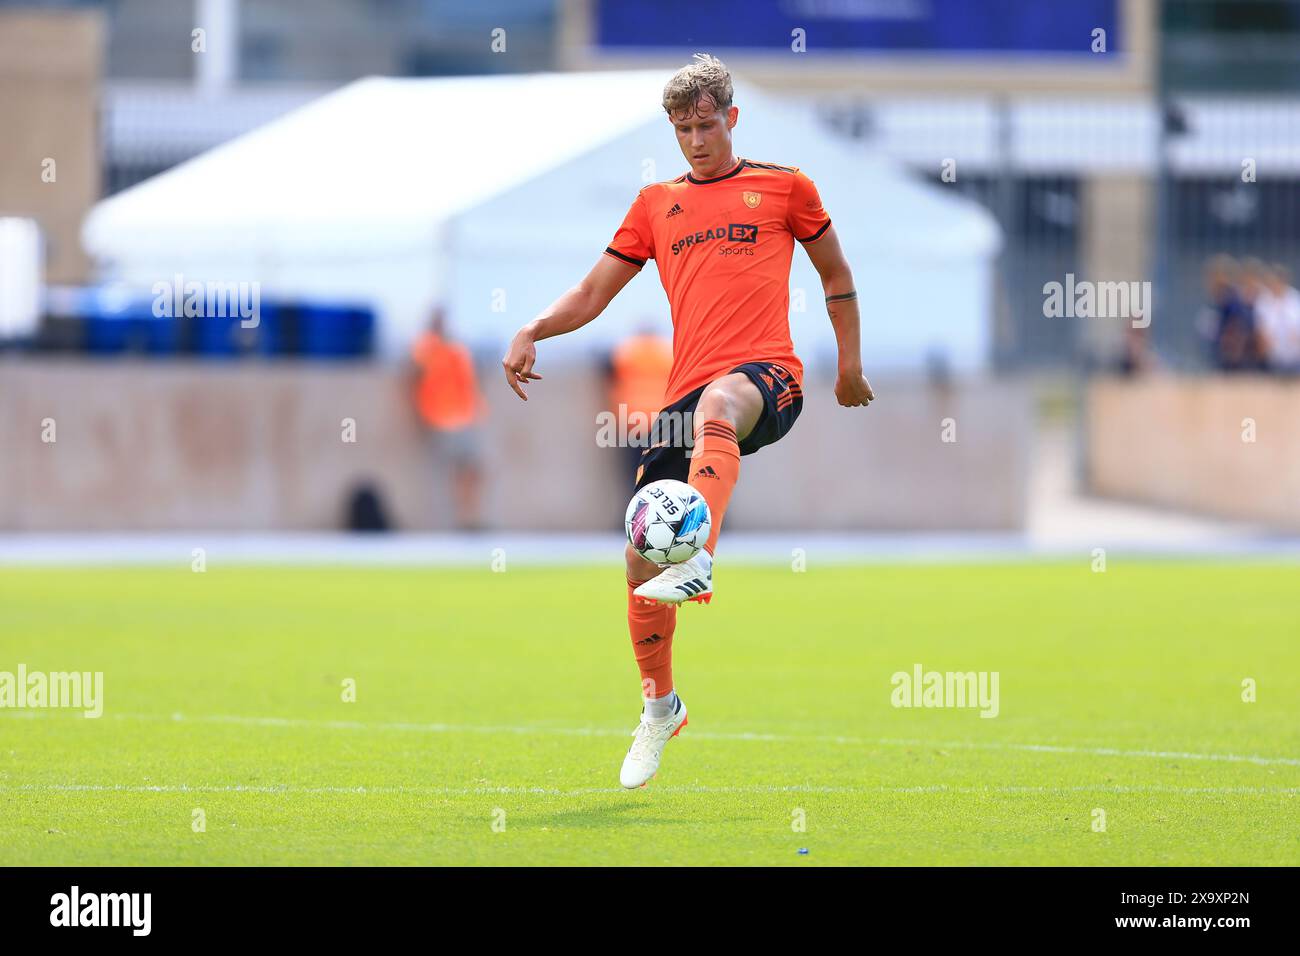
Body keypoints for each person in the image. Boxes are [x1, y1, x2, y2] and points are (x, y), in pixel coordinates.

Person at [501, 54, 874, 788]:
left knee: (718, 407)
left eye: (707, 124)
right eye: (683, 129)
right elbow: (592, 291)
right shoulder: (654, 204)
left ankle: (700, 553)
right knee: (640, 551)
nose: (697, 140)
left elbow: (836, 274)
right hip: (687, 398)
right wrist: (534, 329)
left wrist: (850, 365)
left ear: (732, 118)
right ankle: (659, 706)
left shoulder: (785, 187)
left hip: (770, 380)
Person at [411, 309, 487, 530]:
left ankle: (470, 516)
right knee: (454, 470)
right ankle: (458, 519)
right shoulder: (427, 347)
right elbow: (416, 375)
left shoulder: (456, 348)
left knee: (471, 469)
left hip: (464, 416)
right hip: (442, 417)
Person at [606, 325, 673, 487]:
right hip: (664, 420)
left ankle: (636, 507)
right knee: (667, 472)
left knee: (635, 473)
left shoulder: (627, 352)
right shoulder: (667, 352)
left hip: (632, 421)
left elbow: (609, 371)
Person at [1254, 263, 1300, 374]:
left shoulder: (1295, 299)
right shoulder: (1264, 301)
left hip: (1295, 355)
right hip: (1273, 356)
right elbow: (1260, 327)